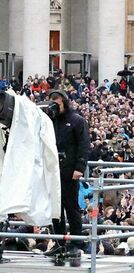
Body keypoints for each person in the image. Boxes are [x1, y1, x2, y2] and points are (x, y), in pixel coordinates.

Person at [47, 90, 90, 257]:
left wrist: (80, 167)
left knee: (71, 207)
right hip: (53, 169)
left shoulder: (77, 120)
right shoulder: (50, 120)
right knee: (55, 209)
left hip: (70, 169)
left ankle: (76, 242)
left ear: (64, 102)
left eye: (57, 104)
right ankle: (59, 242)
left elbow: (84, 145)